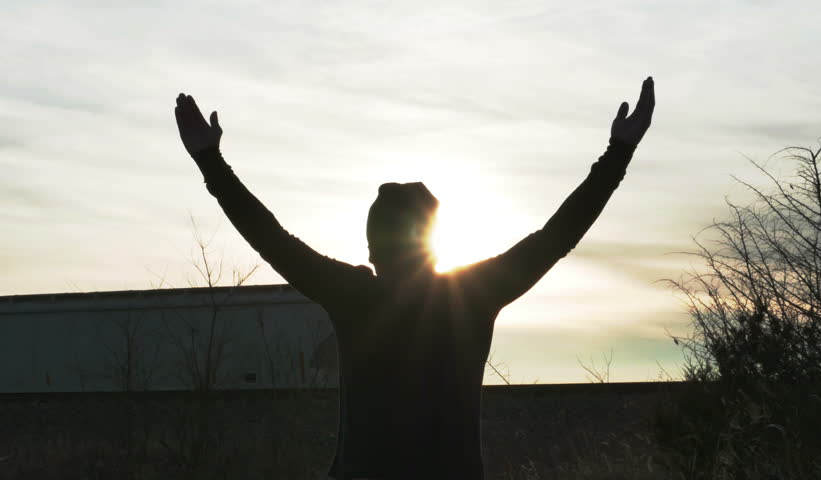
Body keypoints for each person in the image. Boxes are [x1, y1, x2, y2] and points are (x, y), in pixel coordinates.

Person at [174, 76, 655, 480]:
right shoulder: (471, 295)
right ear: (434, 242)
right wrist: (619, 152)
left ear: (372, 247)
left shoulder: (353, 295)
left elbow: (271, 239)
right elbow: (556, 237)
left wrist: (210, 161)